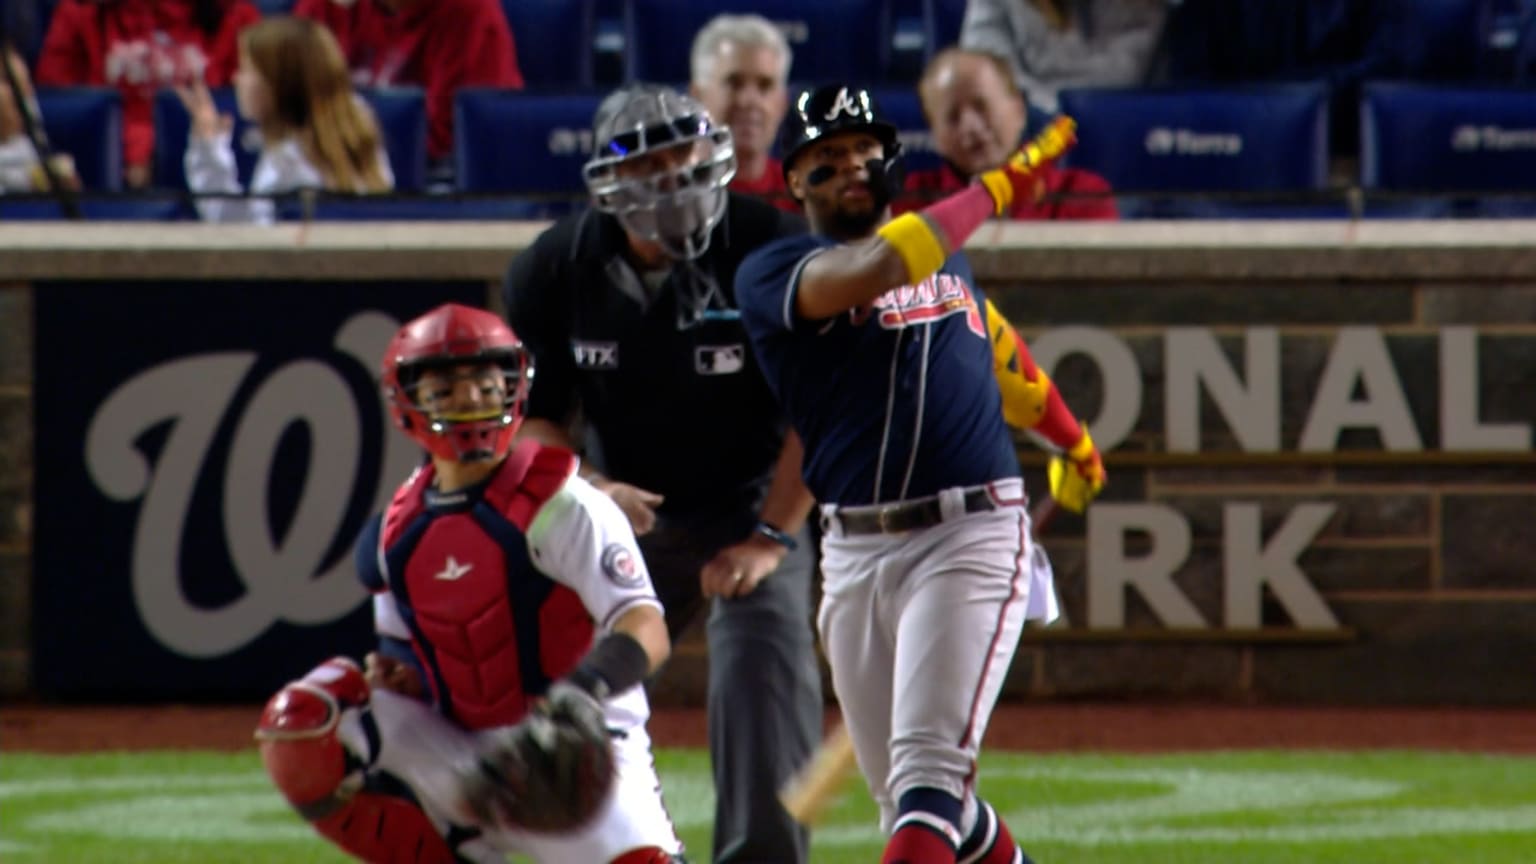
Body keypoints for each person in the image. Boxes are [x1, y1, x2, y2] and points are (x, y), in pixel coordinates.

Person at [734, 84, 1106, 864]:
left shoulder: (943, 257)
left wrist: (1071, 442)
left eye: (867, 154)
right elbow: (882, 265)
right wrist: (995, 188)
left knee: (928, 787)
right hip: (854, 553)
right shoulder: (774, 270)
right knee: (927, 810)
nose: (851, 169)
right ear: (795, 181)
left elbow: (1000, 355)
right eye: (827, 160)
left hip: (970, 531)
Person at [503, 83, 821, 864]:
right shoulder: (554, 266)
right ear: (612, 183)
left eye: (687, 155)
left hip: (752, 503)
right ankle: (575, 843)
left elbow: (820, 412)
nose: (676, 178)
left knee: (762, 658)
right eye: (652, 162)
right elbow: (533, 419)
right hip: (623, 508)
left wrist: (771, 537)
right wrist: (587, 486)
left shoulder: (771, 245)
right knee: (525, 647)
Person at [255, 302, 685, 864]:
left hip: (580, 750)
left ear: (514, 387)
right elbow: (403, 653)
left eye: (486, 384)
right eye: (448, 388)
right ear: (407, 401)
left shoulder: (565, 502)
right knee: (304, 722)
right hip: (464, 746)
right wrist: (400, 674)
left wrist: (581, 694)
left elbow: (644, 625)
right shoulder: (396, 528)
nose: (472, 400)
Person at [177, 16, 393, 223]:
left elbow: (247, 242)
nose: (236, 78)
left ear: (278, 83)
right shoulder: (352, 134)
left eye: (246, 69)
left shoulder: (290, 166)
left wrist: (208, 154)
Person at [35, 0, 262, 188]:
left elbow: (250, 112)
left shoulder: (234, 14)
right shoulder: (81, 11)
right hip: (101, 181)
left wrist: (148, 150)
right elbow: (59, 111)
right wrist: (134, 149)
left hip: (207, 172)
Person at [292, 0, 521, 168]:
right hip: (324, 169)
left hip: (431, 181)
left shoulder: (469, 12)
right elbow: (287, 109)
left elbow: (455, 136)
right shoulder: (323, 7)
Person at [907, 46, 1117, 220]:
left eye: (981, 106)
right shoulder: (908, 204)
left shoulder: (1083, 195)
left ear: (1019, 110)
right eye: (952, 117)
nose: (970, 126)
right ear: (935, 135)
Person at [960, 0, 1168, 115]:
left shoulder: (1142, 6)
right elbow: (989, 78)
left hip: (1116, 133)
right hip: (1021, 134)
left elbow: (1124, 78)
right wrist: (1050, 110)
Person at [689, 13, 795, 211]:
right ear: (697, 97)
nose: (749, 101)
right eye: (734, 83)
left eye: (765, 86)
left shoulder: (804, 196)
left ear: (782, 103)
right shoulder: (670, 197)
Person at [0, 47, 78, 193]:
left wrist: (61, 188)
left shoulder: (27, 141)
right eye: (8, 83)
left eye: (26, 83)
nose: (25, 93)